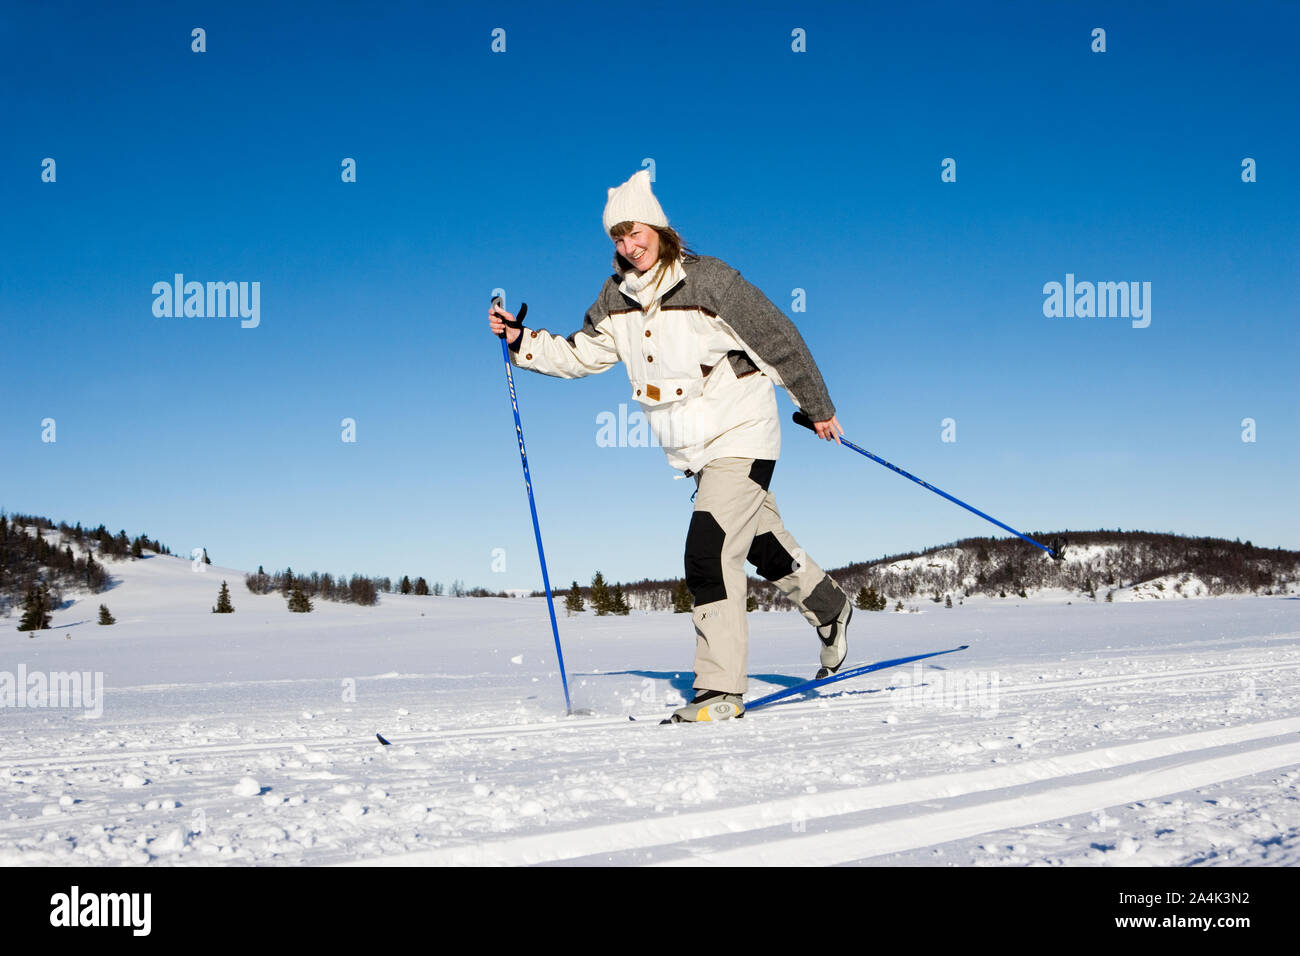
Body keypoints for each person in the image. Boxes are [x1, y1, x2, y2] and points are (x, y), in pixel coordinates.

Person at [488, 170, 852, 722]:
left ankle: (719, 693)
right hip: (696, 454)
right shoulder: (616, 300)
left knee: (707, 550)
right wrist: (522, 343)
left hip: (743, 433)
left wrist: (817, 405)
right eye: (618, 237)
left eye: (636, 232)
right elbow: (582, 354)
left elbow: (779, 337)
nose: (629, 247)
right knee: (760, 545)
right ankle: (829, 606)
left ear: (659, 228)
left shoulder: (710, 282)